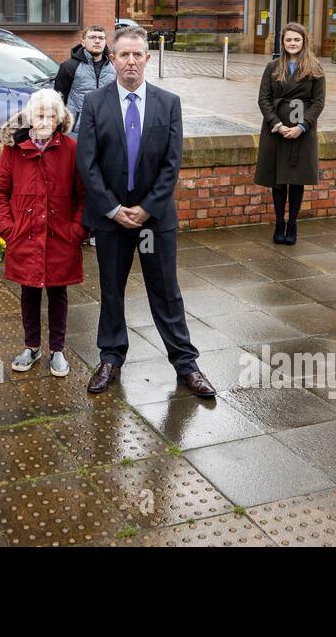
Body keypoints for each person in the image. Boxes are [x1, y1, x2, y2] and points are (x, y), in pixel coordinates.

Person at [75, 26, 216, 398]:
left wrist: (146, 209)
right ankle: (110, 358)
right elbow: (86, 163)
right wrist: (113, 208)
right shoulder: (94, 103)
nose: (131, 61)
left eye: (138, 54)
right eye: (124, 55)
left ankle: (186, 363)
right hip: (111, 220)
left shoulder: (168, 103)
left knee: (166, 291)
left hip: (154, 221)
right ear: (113, 59)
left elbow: (172, 163)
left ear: (148, 59)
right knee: (111, 291)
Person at [0, 89, 87, 378]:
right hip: (25, 236)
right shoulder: (14, 150)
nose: (44, 120)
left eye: (50, 115)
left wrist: (77, 230)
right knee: (29, 292)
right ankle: (31, 346)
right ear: (30, 118)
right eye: (39, 115)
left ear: (60, 119)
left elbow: (85, 197)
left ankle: (57, 350)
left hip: (61, 237)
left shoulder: (71, 149)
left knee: (58, 293)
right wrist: (9, 229)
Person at [254, 22, 326, 244]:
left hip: (302, 132)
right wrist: (277, 124)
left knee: (296, 181)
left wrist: (302, 126)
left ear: (304, 41)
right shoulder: (273, 67)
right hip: (276, 131)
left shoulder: (315, 68)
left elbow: (318, 102)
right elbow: (263, 99)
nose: (292, 43)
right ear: (282, 42)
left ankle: (292, 224)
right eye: (288, 40)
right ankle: (279, 223)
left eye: (296, 39)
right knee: (278, 181)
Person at [54, 25, 115, 130]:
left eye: (101, 38)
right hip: (78, 128)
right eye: (92, 37)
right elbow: (58, 100)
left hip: (106, 126)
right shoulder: (69, 67)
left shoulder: (114, 67)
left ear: (105, 42)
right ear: (83, 42)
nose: (97, 41)